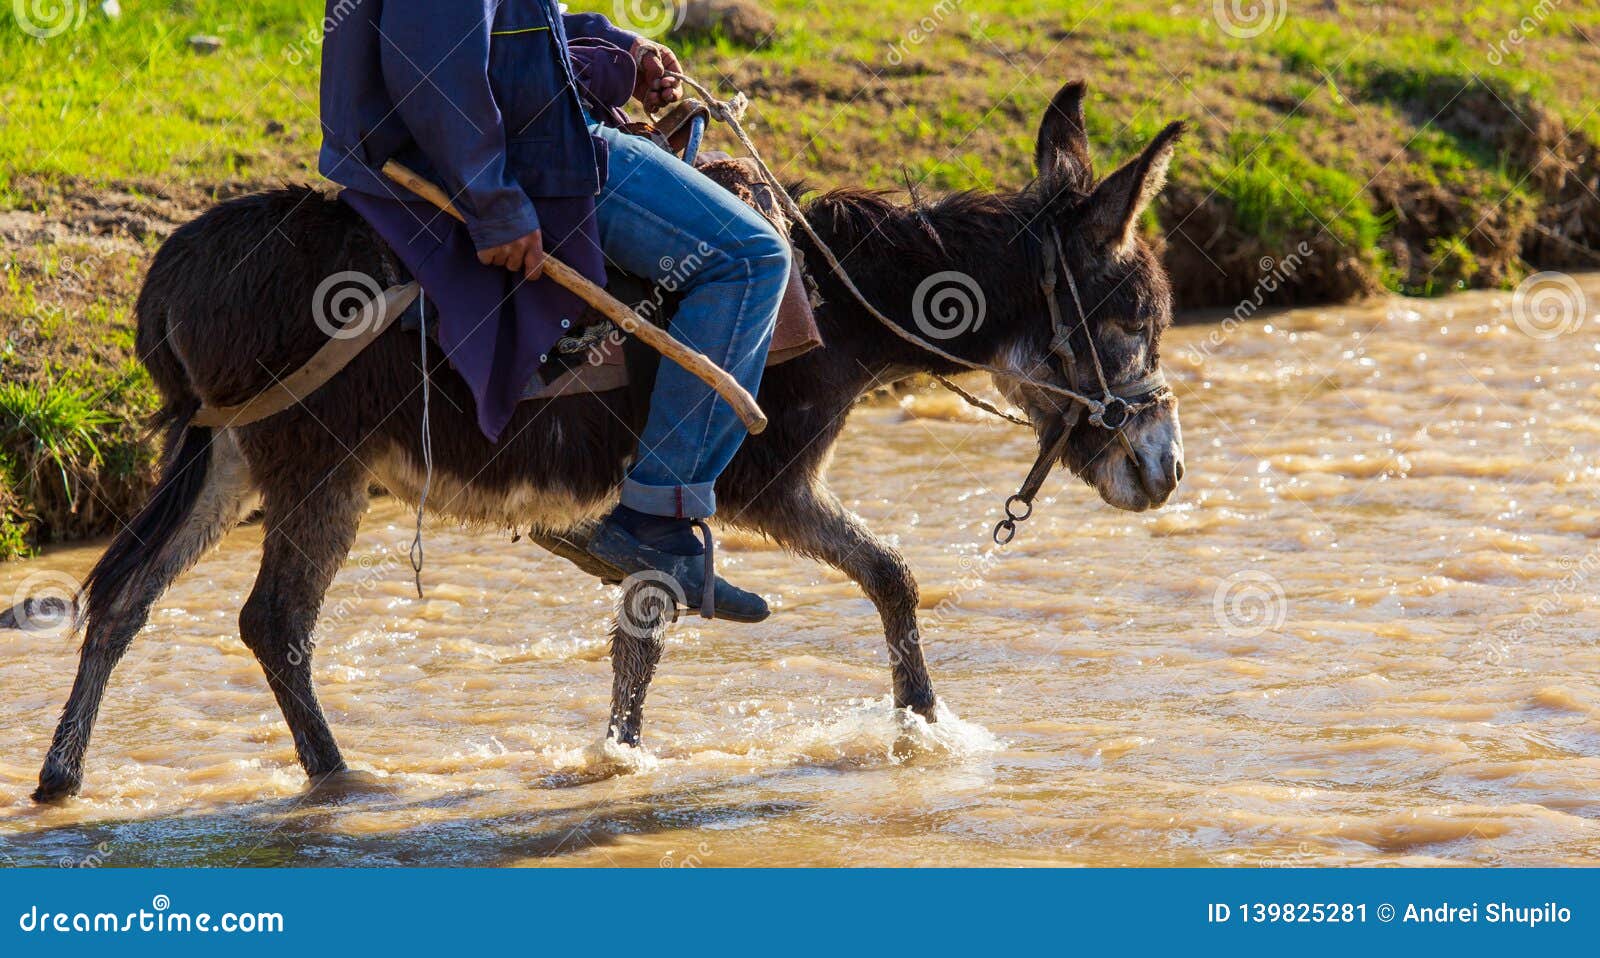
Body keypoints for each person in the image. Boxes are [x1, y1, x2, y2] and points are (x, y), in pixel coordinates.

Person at [319, 2, 789, 622]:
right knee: (753, 258)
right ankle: (659, 516)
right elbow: (435, 68)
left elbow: (517, 22)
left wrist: (618, 48)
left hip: (521, 128)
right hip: (528, 148)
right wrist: (495, 204)